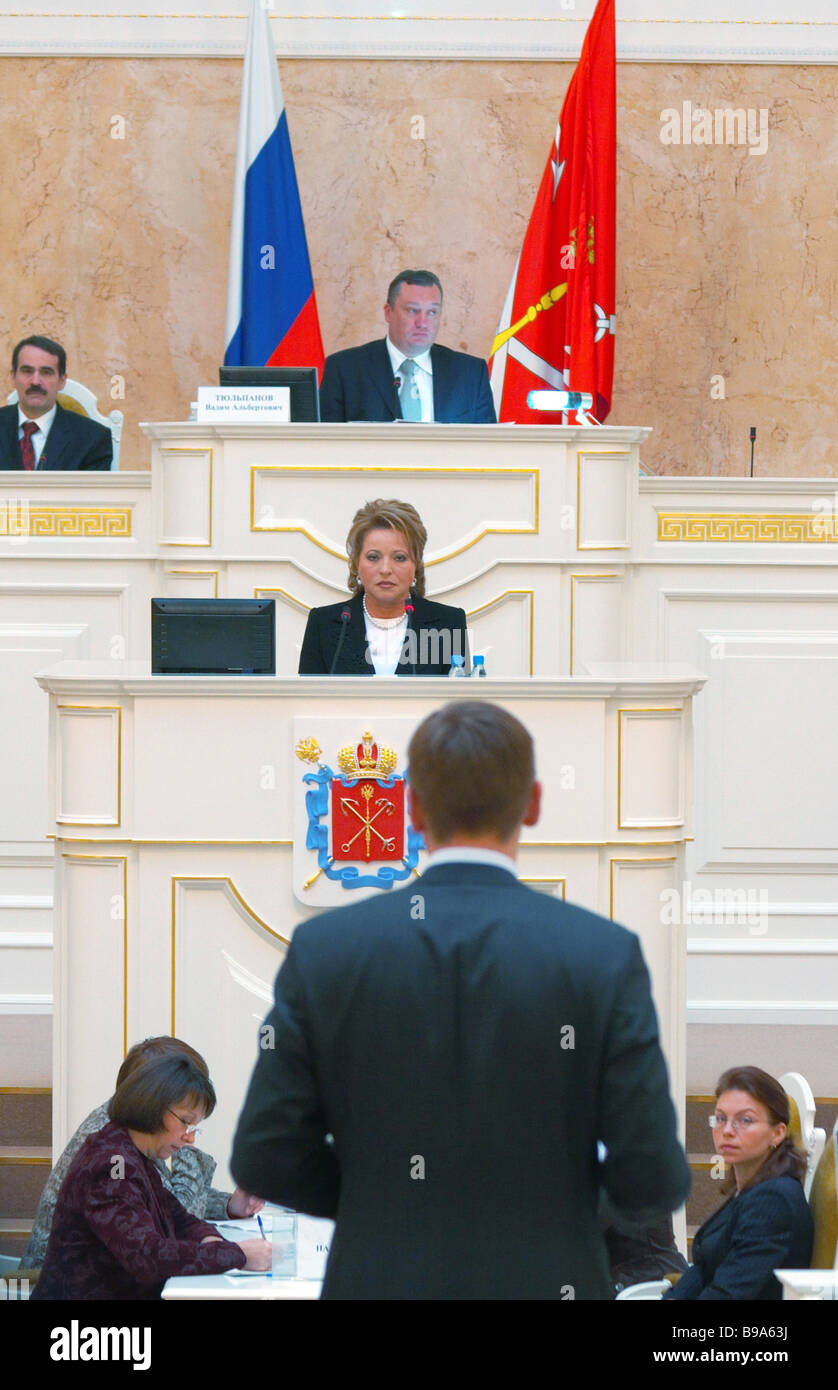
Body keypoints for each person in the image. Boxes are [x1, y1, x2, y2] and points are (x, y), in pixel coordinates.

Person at [231, 700, 690, 1299]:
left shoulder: (326, 949)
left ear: (413, 807)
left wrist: (379, 1201)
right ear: (533, 803)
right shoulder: (602, 954)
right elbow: (653, 1175)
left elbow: (264, 1158)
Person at [31, 1051, 271, 1299]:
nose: (189, 1137)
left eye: (194, 1128)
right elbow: (147, 1258)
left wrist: (209, 1238)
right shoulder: (113, 1164)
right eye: (186, 1122)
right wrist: (237, 1255)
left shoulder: (131, 1151)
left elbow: (177, 1216)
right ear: (154, 1106)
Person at [665, 1065, 813, 1301]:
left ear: (778, 1133)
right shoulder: (752, 1189)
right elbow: (703, 1269)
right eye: (721, 1118)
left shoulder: (774, 1199)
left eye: (745, 1120)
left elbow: (728, 1294)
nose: (727, 1131)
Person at [298, 498, 468, 675]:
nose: (386, 569)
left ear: (416, 564)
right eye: (373, 557)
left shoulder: (450, 622)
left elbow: (462, 700)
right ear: (356, 563)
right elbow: (306, 699)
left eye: (399, 558)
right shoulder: (323, 623)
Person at [318, 270, 497, 424]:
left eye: (432, 312)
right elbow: (326, 447)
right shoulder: (345, 370)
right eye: (413, 311)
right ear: (388, 313)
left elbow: (489, 448)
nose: (423, 323)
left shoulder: (470, 373)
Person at [0, 335, 112, 471]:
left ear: (62, 381)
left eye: (46, 372)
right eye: (27, 371)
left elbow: (93, 492)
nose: (35, 381)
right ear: (12, 378)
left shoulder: (93, 439)